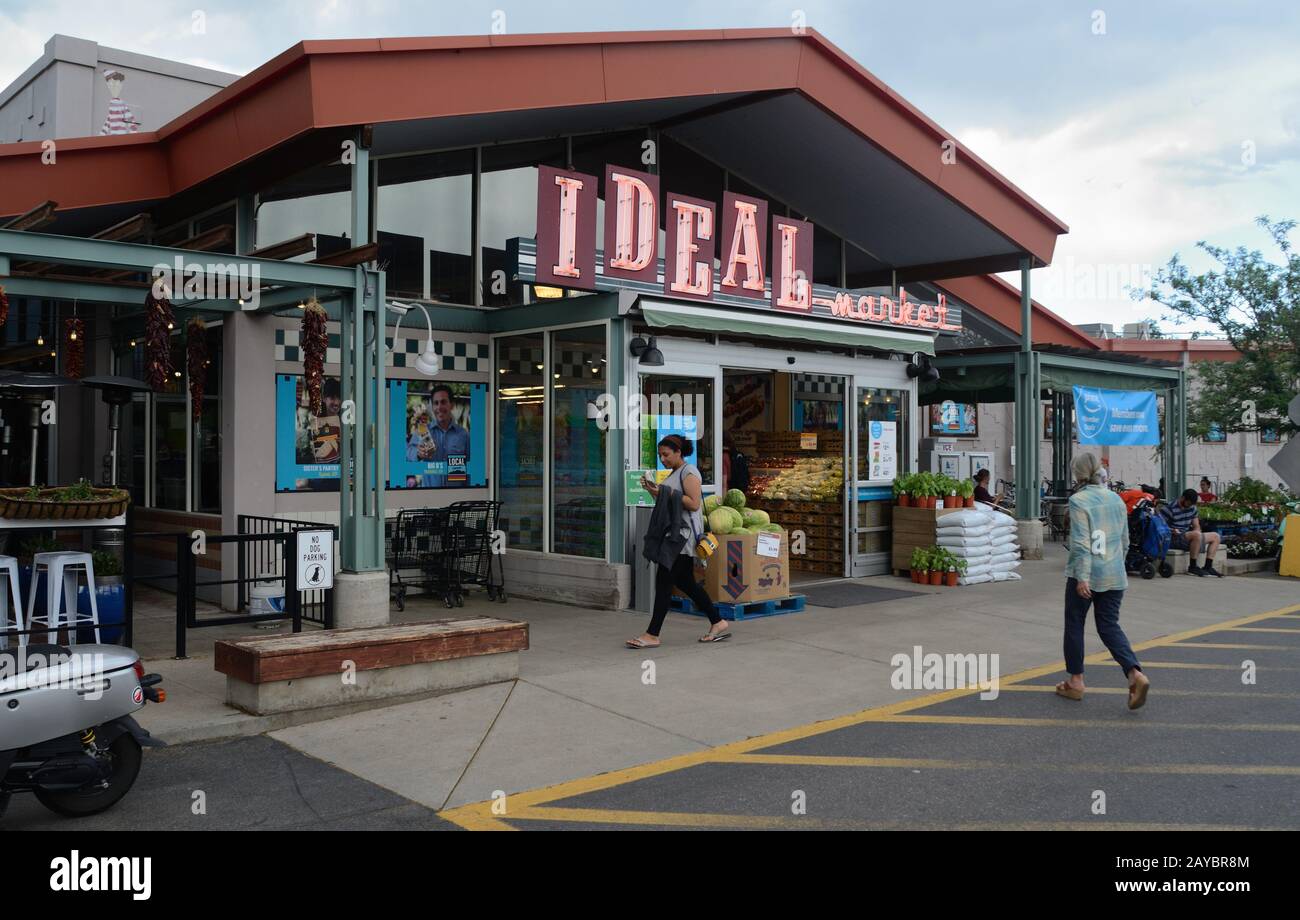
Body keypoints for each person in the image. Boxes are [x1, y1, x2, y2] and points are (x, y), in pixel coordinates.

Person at [1059, 452, 1150, 710]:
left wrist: (1083, 577)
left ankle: (1076, 681)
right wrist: (1117, 565)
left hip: (1086, 574)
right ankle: (1135, 674)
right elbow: (1124, 540)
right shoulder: (1116, 499)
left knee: (1075, 623)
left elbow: (1080, 543)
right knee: (1109, 625)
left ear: (1077, 475)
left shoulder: (1078, 501)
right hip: (1113, 572)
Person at [627, 435, 728, 648]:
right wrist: (655, 491)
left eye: (666, 454)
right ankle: (717, 621)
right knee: (686, 583)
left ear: (678, 452)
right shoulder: (674, 473)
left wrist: (666, 492)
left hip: (682, 538)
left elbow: (692, 503)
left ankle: (652, 634)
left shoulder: (688, 472)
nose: (663, 459)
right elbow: (672, 501)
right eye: (660, 455)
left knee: (664, 581)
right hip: (675, 536)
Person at [406, 384, 471, 486]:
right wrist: (418, 453)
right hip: (429, 497)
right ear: (432, 406)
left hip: (457, 495)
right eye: (436, 403)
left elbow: (470, 468)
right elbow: (408, 454)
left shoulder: (463, 434)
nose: (439, 407)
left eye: (443, 402)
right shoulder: (423, 430)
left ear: (451, 405)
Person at [1161, 488, 1223, 577]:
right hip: (1173, 538)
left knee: (1215, 536)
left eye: (1191, 504)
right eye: (1188, 503)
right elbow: (1161, 527)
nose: (1189, 506)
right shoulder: (1169, 508)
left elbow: (1196, 525)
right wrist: (1171, 530)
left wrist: (1198, 532)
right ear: (1182, 498)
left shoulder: (1192, 508)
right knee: (1196, 535)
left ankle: (1208, 567)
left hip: (1188, 536)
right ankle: (1192, 567)